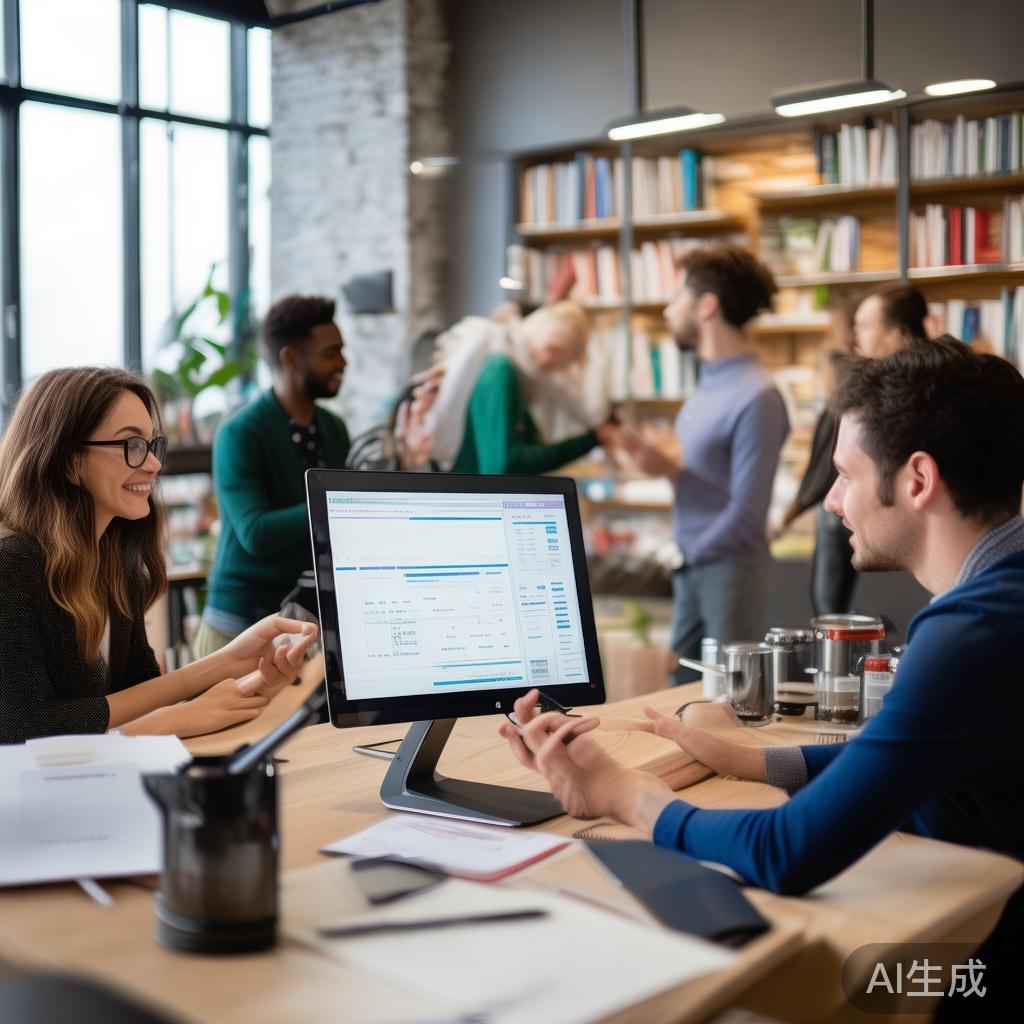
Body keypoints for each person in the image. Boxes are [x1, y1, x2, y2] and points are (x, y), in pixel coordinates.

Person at [500, 337, 1023, 1018]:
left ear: (918, 481)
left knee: (755, 991)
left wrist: (625, 794)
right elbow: (910, 751)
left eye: (845, 474)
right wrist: (752, 759)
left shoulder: (971, 632)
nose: (833, 501)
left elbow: (787, 851)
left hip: (979, 970)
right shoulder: (999, 596)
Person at [0, 367, 317, 744]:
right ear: (70, 461)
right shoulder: (11, 567)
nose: (152, 464)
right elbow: (23, 729)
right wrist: (179, 716)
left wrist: (248, 676)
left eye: (152, 445)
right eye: (131, 445)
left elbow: (143, 697)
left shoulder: (116, 565)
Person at [615, 245, 789, 682]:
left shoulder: (757, 396)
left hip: (727, 566)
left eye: (678, 298)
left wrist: (687, 552)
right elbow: (710, 485)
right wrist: (665, 468)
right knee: (681, 689)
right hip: (693, 563)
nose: (669, 311)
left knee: (732, 695)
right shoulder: (705, 389)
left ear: (707, 305)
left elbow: (748, 514)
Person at [195, 295, 351, 657]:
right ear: (290, 358)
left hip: (304, 624)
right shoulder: (240, 431)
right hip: (238, 628)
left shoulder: (334, 429)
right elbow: (255, 532)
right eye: (331, 353)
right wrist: (337, 502)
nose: (343, 362)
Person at [782, 282, 929, 614]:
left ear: (896, 334)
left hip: (872, 516)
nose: (854, 336)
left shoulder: (880, 395)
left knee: (828, 608)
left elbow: (825, 466)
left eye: (864, 326)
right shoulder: (907, 385)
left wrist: (791, 513)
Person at [424, 301, 618, 475]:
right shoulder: (500, 371)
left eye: (562, 361)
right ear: (537, 328)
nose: (548, 361)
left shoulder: (520, 377)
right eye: (552, 349)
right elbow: (507, 466)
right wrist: (589, 441)